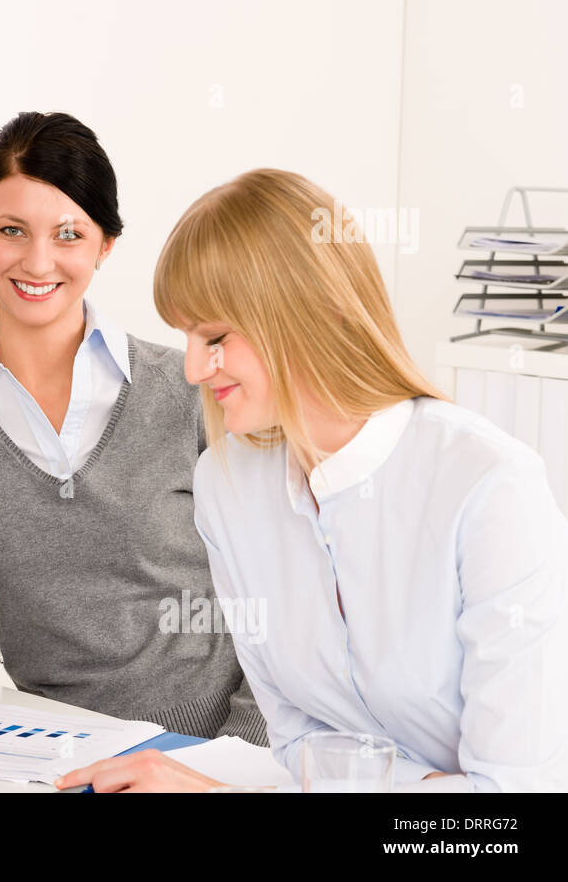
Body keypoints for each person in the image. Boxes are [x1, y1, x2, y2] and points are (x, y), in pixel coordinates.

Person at [58, 168, 568, 792]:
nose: (193, 368)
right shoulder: (226, 485)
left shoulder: (490, 488)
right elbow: (296, 740)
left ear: (308, 317)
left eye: (215, 336)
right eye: (186, 338)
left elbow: (506, 812)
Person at [0, 113, 266, 741]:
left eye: (67, 234)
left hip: (208, 748)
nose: (38, 262)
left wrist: (232, 761)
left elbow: (274, 590)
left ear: (104, 244)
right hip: (50, 751)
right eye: (12, 231)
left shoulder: (195, 391)